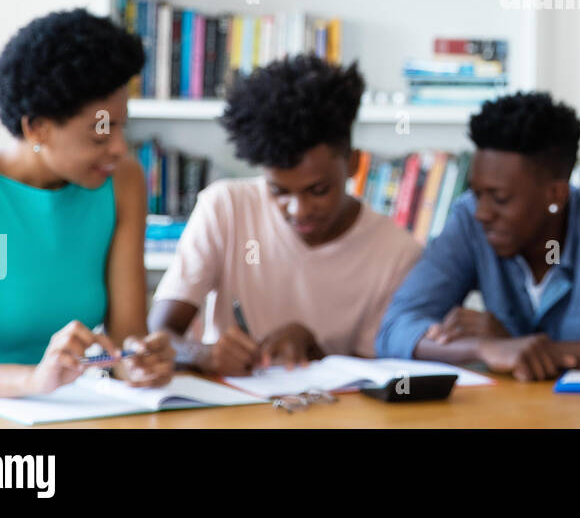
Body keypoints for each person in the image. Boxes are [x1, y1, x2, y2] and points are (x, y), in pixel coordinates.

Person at [0, 9, 175, 396]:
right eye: (99, 136)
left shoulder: (123, 182)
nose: (118, 148)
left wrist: (139, 362)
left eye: (121, 126)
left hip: (60, 411)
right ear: (37, 128)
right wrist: (31, 381)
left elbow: (127, 334)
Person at [377, 91, 580, 380]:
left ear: (555, 195)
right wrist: (483, 349)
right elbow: (393, 329)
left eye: (500, 199)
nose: (483, 212)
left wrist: (535, 351)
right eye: (477, 194)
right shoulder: (468, 220)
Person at [148, 55, 421, 374]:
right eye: (279, 191)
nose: (299, 210)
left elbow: (376, 375)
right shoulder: (225, 207)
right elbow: (161, 332)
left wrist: (313, 347)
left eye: (318, 190)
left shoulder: (397, 253)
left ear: (354, 164)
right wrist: (203, 354)